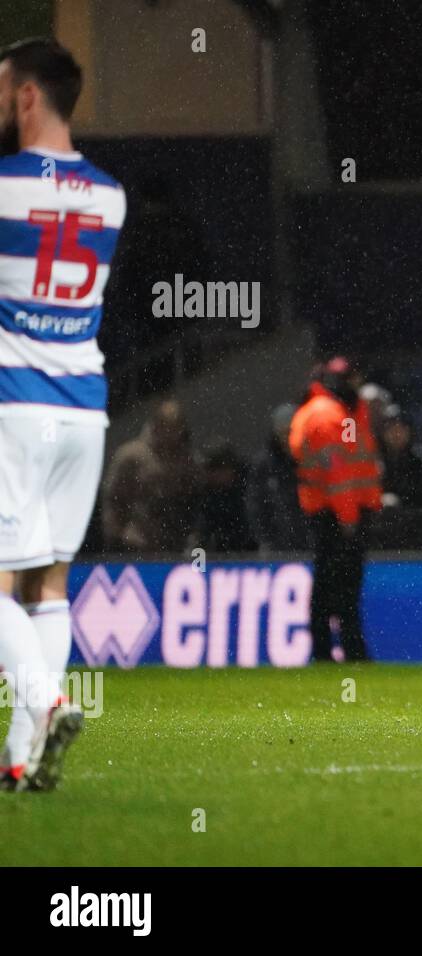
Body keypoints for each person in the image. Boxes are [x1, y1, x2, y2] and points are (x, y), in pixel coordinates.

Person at [0, 38, 124, 790]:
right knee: (50, 585)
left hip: (14, 403)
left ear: (26, 97)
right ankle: (21, 756)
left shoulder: (3, 186)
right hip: (86, 408)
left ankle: (46, 703)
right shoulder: (111, 195)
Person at [289, 357, 382, 662]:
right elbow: (338, 476)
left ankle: (333, 651)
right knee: (336, 586)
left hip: (338, 511)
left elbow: (352, 463)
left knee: (336, 585)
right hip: (335, 515)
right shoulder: (326, 416)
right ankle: (336, 651)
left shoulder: (341, 412)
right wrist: (349, 518)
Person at [101, 398, 199, 552]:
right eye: (169, 428)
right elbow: (113, 499)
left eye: (177, 429)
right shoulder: (131, 456)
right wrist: (117, 536)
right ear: (157, 426)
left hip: (174, 543)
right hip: (135, 542)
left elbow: (194, 498)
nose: (173, 435)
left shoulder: (186, 458)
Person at [247, 403, 310, 553]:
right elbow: (255, 506)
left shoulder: (310, 461)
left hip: (309, 543)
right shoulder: (264, 465)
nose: (288, 439)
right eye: (284, 433)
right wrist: (265, 539)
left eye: (292, 432)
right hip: (278, 546)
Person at [373, 404, 422, 551]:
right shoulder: (375, 460)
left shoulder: (421, 460)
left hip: (415, 527)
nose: (396, 433)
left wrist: (400, 504)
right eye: (391, 428)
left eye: (401, 428)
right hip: (381, 527)